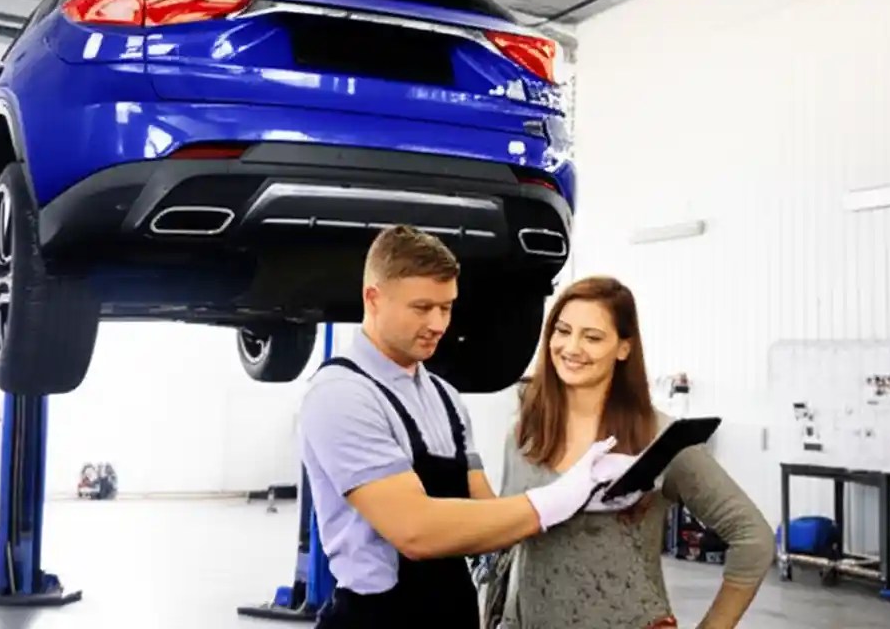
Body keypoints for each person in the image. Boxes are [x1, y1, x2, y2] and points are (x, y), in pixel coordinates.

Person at [300, 226, 635, 629]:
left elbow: (483, 513)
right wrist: (552, 501)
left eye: (446, 307)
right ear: (373, 298)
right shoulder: (341, 395)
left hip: (454, 612)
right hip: (379, 618)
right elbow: (414, 530)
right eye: (422, 307)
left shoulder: (446, 398)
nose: (438, 324)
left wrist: (584, 499)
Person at [498, 275, 775, 629]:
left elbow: (753, 539)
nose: (571, 347)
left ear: (624, 348)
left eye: (593, 337)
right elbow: (505, 533)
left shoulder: (659, 438)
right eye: (562, 331)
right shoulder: (524, 436)